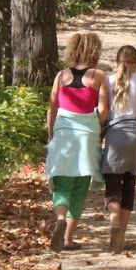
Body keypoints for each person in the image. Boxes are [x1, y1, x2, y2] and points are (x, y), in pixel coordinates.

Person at [45, 32, 109, 251]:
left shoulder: (61, 76)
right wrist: (101, 127)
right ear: (95, 51)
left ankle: (60, 219)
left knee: (61, 183)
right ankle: (68, 238)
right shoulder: (98, 76)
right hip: (87, 137)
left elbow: (52, 109)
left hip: (63, 134)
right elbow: (102, 110)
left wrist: (51, 135)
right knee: (80, 186)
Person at [100, 44, 136, 252]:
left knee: (113, 186)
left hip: (115, 135)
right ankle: (121, 236)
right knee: (129, 186)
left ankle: (114, 223)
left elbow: (103, 111)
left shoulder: (107, 81)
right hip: (135, 136)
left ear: (117, 61)